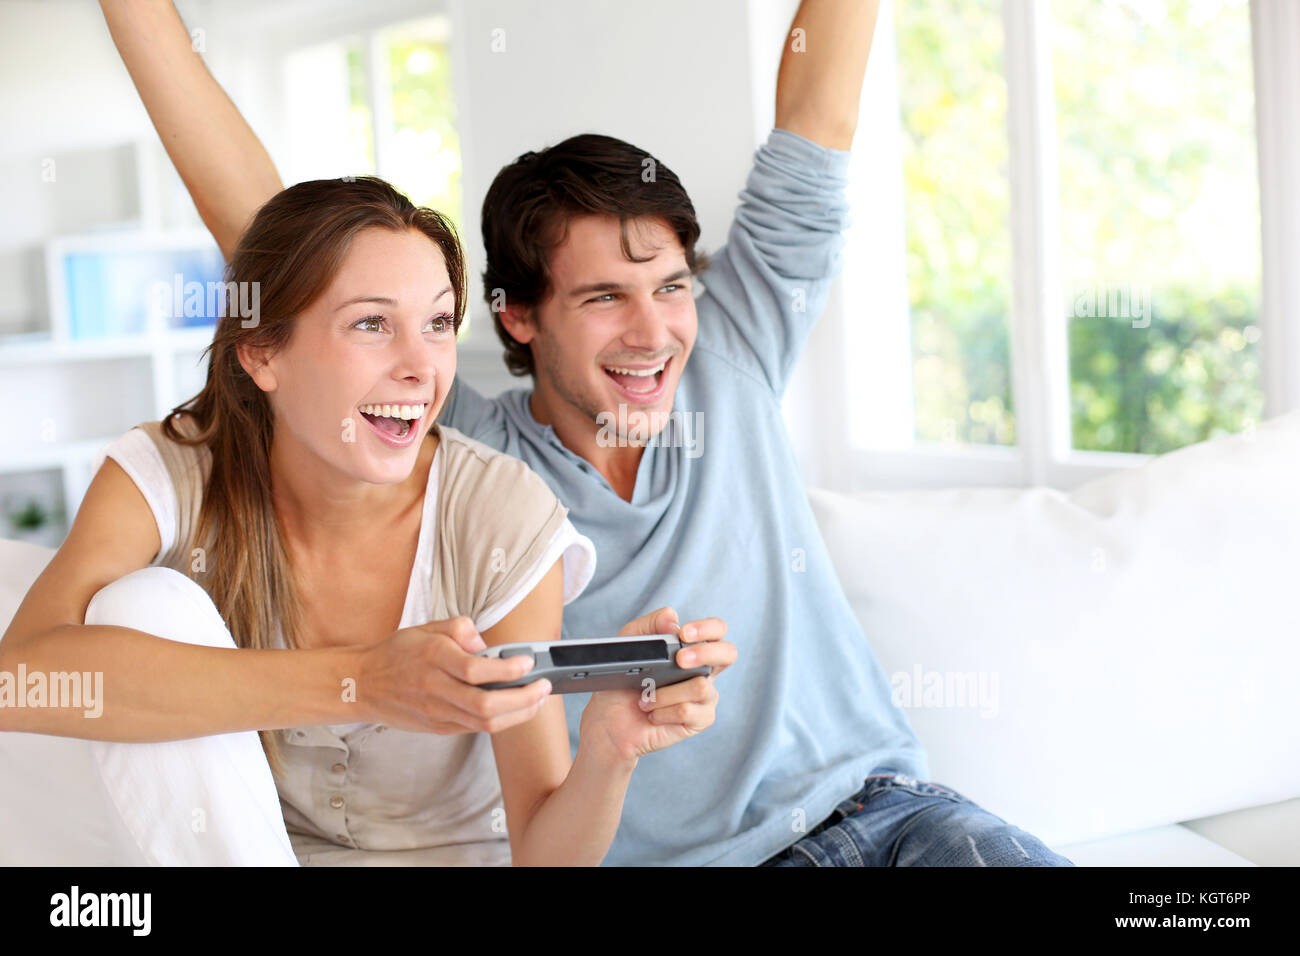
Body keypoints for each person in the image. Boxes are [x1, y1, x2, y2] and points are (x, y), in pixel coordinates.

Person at [95, 0, 1073, 866]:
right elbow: (266, 225)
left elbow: (818, 110)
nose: (653, 332)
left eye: (670, 287)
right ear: (517, 316)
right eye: (605, 297)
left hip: (894, 817)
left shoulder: (730, 347)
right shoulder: (474, 465)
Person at [0, 172, 734, 866]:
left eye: (439, 323)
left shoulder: (500, 514)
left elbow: (544, 853)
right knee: (143, 604)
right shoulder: (172, 472)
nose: (422, 367)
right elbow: (16, 684)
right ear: (261, 352)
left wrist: (607, 750)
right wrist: (361, 681)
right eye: (373, 325)